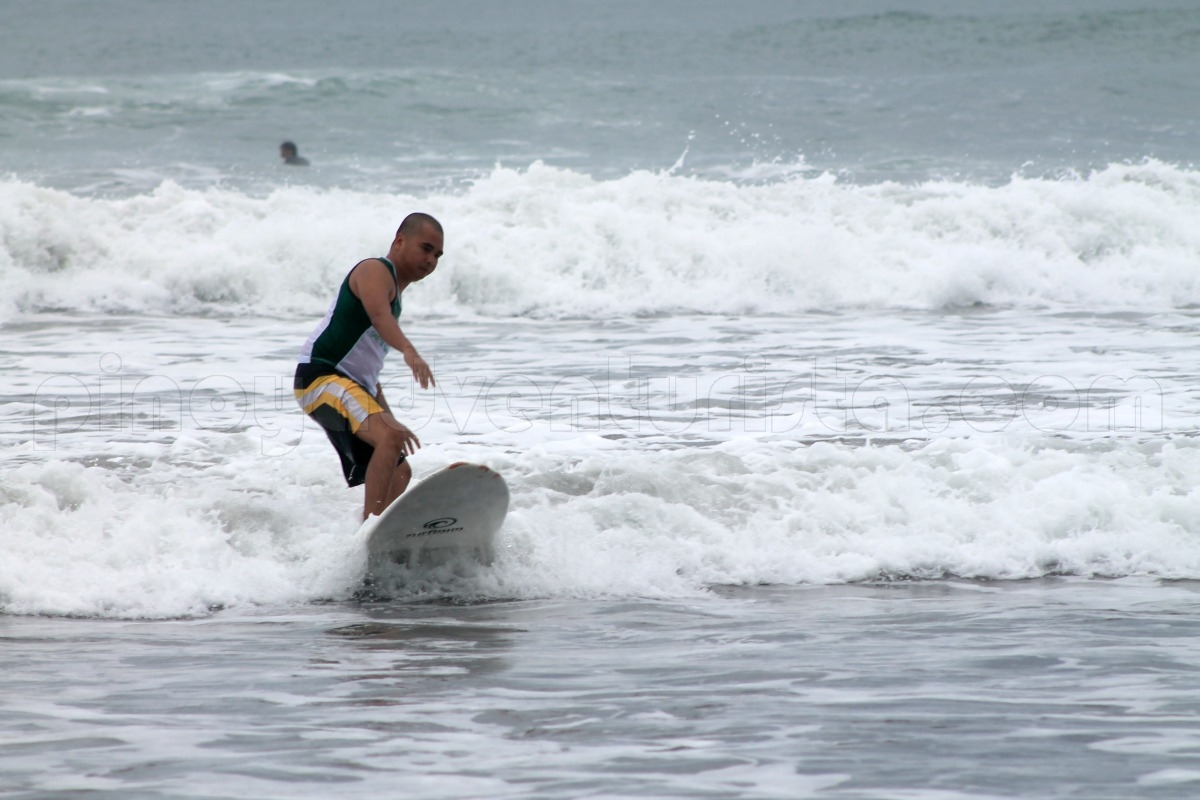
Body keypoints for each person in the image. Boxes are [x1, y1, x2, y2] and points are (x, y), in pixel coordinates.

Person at [294, 213, 443, 520]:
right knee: (388, 436)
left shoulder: (396, 298)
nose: (431, 259)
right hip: (320, 377)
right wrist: (409, 351)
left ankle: (379, 537)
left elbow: (367, 374)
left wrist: (388, 416)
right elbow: (379, 317)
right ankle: (368, 530)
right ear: (399, 241)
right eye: (425, 248)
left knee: (400, 471)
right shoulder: (374, 270)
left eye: (437, 255)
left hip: (347, 386)